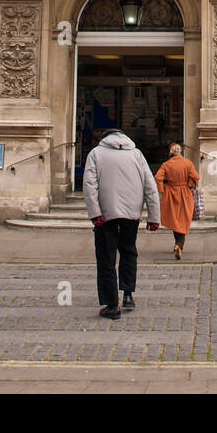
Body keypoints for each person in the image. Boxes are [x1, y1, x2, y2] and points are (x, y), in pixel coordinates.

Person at [83, 128, 160, 320]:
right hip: (131, 213)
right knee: (128, 251)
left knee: (106, 257)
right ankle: (127, 294)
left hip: (106, 214)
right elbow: (150, 186)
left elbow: (89, 185)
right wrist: (153, 217)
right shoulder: (136, 154)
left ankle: (111, 304)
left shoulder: (96, 154)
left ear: (105, 138)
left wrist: (95, 213)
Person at [155, 143, 200, 259]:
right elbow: (196, 176)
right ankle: (179, 245)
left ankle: (177, 244)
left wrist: (162, 189)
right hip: (185, 193)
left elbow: (158, 177)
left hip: (171, 193)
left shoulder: (166, 164)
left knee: (175, 220)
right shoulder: (188, 163)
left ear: (171, 152)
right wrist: (191, 184)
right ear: (180, 152)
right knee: (184, 219)